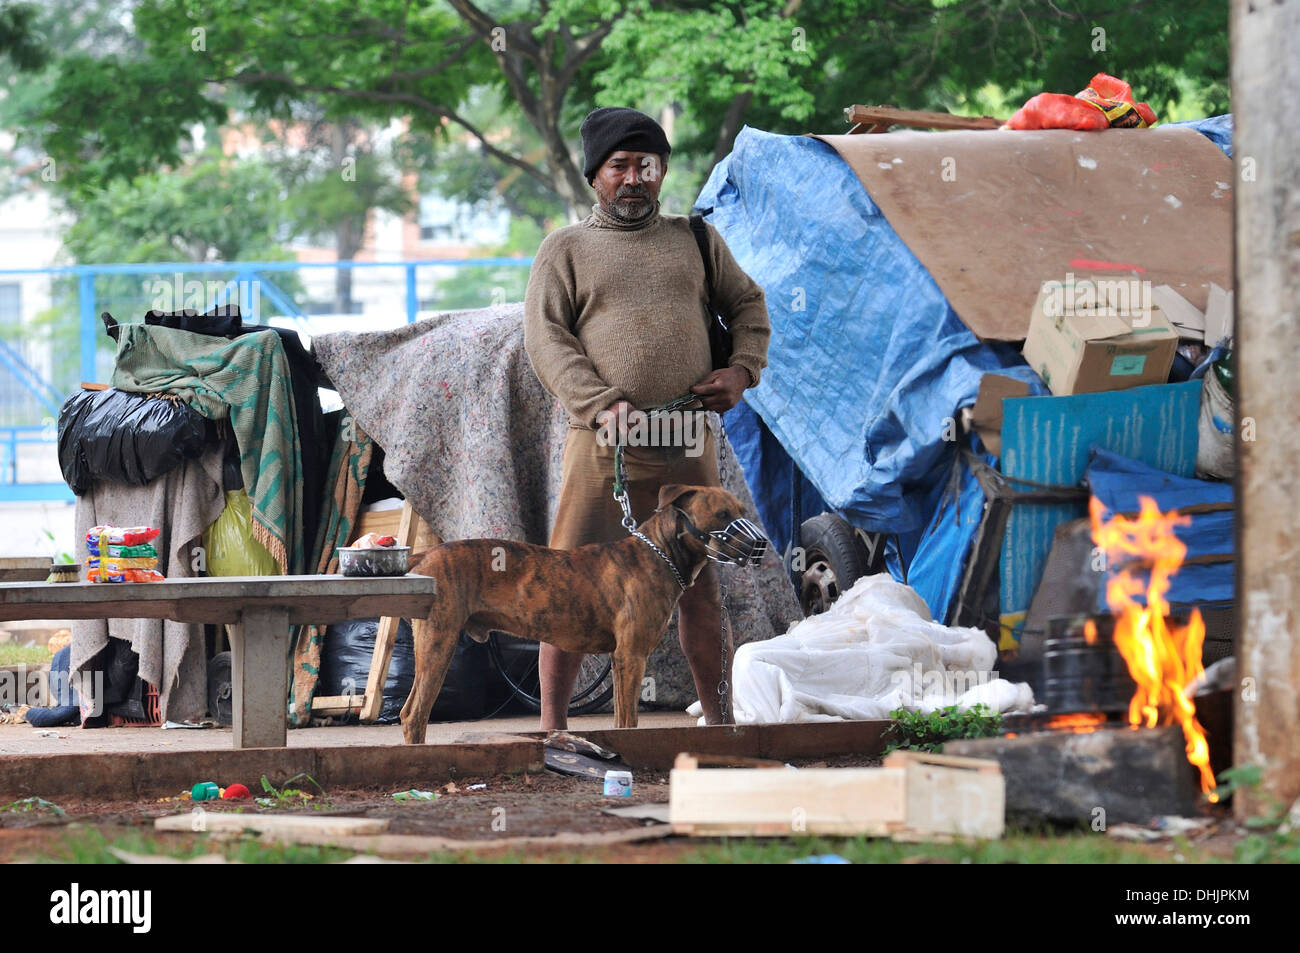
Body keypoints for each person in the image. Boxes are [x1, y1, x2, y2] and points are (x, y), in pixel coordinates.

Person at [524, 105, 770, 730]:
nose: (634, 178)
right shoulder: (566, 249)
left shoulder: (696, 239)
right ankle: (554, 733)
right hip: (603, 445)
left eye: (646, 165)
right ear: (595, 176)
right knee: (567, 586)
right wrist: (602, 403)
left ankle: (719, 724)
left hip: (686, 439)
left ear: (661, 172)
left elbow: (747, 305)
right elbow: (546, 338)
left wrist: (742, 371)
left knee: (700, 588)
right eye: (619, 166)